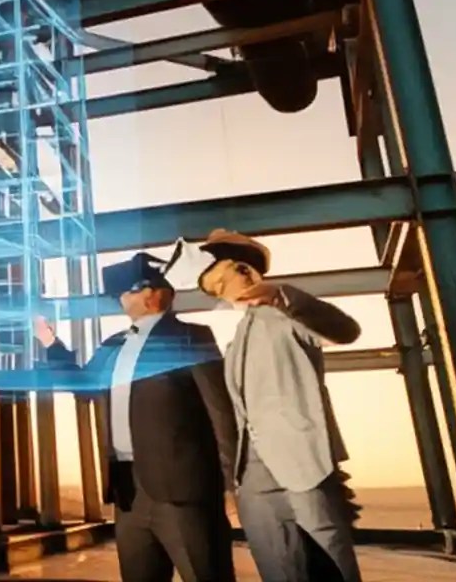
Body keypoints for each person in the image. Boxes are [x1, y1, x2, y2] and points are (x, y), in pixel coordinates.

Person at [35, 245, 237, 582]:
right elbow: (84, 387)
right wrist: (49, 342)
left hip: (184, 493)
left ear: (154, 294)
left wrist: (233, 483)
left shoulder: (191, 337)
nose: (124, 298)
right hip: (127, 493)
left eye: (131, 289)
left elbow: (220, 411)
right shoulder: (113, 345)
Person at [196, 229, 363, 582]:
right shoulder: (238, 337)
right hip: (253, 472)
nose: (222, 293)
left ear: (245, 272)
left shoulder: (289, 315)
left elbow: (346, 330)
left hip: (301, 461)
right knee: (275, 562)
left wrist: (282, 295)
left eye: (222, 281)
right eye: (217, 289)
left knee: (328, 560)